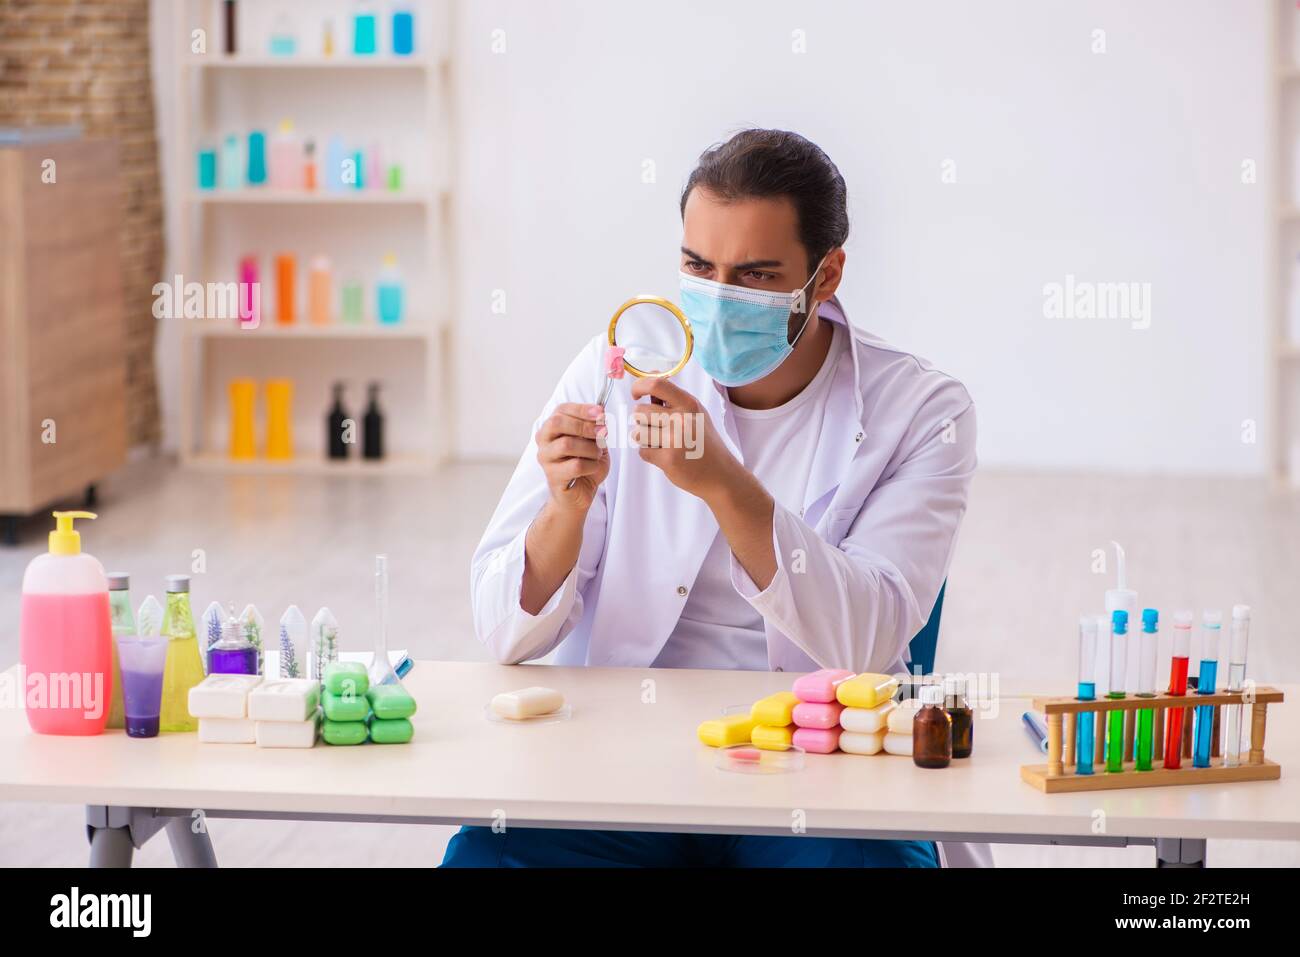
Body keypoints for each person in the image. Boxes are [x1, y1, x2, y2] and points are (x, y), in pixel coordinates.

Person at [444, 129, 976, 867]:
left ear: (826, 277)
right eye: (699, 266)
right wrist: (564, 509)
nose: (719, 299)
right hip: (620, 755)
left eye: (755, 276)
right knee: (490, 859)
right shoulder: (614, 372)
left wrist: (725, 485)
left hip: (810, 764)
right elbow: (503, 631)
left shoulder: (920, 410)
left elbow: (868, 639)